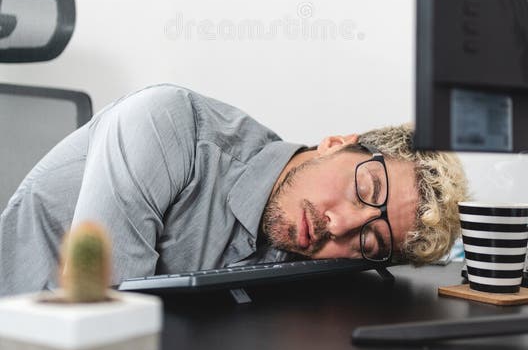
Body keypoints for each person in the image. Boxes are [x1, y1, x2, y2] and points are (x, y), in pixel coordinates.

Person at [0, 83, 468, 295]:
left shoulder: (307, 245)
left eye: (369, 240)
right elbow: (107, 322)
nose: (340, 225)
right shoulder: (167, 128)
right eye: (365, 188)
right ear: (337, 144)